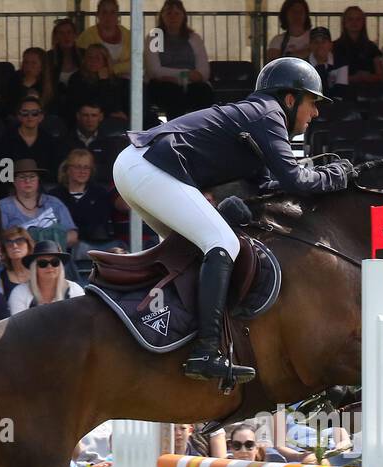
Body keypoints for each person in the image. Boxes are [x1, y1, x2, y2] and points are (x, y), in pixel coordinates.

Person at [115, 57, 352, 383]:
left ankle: (162, 331)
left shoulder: (258, 117)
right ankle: (206, 351)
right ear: (289, 98)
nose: (316, 113)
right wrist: (337, 176)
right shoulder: (269, 115)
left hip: (138, 167)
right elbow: (297, 181)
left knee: (185, 252)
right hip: (148, 167)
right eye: (312, 103)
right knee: (221, 241)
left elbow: (266, 187)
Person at [146, 0, 214, 117]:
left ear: (183, 16)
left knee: (204, 91)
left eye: (177, 13)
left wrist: (181, 77)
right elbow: (154, 70)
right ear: (162, 16)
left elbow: (203, 72)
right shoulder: (155, 37)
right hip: (162, 84)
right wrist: (187, 74)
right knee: (174, 93)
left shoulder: (194, 38)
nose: (173, 17)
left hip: (189, 84)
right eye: (169, 13)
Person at [0, 159, 77, 252]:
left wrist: (47, 244)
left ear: (38, 180)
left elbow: (73, 235)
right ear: (14, 181)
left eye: (32, 177)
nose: (27, 180)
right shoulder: (3, 206)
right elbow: (0, 238)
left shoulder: (54, 203)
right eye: (22, 177)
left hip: (55, 259)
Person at [50, 150, 114, 251]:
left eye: (86, 167)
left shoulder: (100, 193)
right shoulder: (54, 196)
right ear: (67, 169)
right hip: (63, 247)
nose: (82, 171)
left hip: (93, 247)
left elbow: (100, 223)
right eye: (77, 167)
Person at [0, 95, 63, 181]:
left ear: (41, 117)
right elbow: (2, 175)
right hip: (12, 189)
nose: (30, 117)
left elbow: (53, 173)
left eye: (34, 113)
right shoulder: (6, 139)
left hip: (43, 190)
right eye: (25, 113)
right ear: (19, 116)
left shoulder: (50, 141)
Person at [8, 240, 85, 313]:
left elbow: (81, 321)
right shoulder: (20, 292)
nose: (49, 266)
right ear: (34, 268)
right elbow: (18, 325)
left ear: (60, 266)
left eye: (55, 262)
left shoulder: (74, 290)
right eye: (43, 263)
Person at [64, 43, 129, 120]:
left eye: (97, 58)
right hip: (86, 119)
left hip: (109, 121)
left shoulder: (113, 80)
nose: (93, 61)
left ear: (105, 62)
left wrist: (105, 80)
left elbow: (114, 104)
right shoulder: (77, 78)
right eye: (90, 57)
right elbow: (89, 104)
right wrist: (103, 82)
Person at [78, 0, 133, 76]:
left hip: (127, 82)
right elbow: (82, 61)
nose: (108, 16)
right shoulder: (87, 35)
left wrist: (113, 69)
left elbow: (136, 61)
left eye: (112, 12)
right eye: (104, 12)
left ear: (118, 15)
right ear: (98, 15)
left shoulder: (128, 35)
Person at [333, 6, 383, 85]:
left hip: (369, 90)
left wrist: (368, 77)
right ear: (344, 23)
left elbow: (380, 75)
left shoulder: (372, 47)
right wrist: (354, 78)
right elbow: (331, 76)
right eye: (350, 19)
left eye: (358, 19)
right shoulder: (334, 47)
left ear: (363, 22)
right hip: (344, 89)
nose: (354, 22)